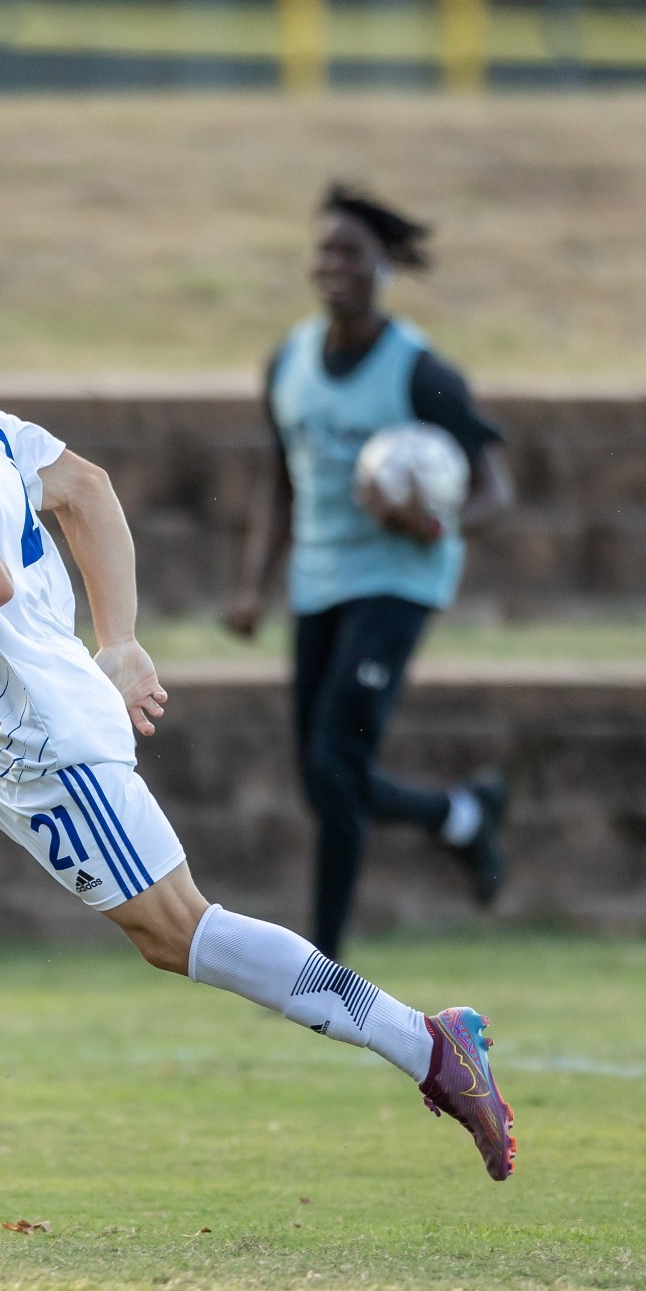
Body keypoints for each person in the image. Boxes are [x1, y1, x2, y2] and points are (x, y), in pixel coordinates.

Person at [0, 266, 515, 1204]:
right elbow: (83, 486)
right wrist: (116, 646)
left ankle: (427, 1046)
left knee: (178, 932)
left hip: (39, 736)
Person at [224, 184, 515, 961]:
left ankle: (320, 966)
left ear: (385, 266)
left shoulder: (421, 372)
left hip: (398, 578)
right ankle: (462, 815)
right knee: (323, 784)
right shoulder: (287, 362)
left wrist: (430, 519)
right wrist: (253, 587)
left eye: (352, 251)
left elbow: (493, 488)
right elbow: (278, 481)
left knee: (335, 764)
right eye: (324, 251)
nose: (335, 265)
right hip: (316, 582)